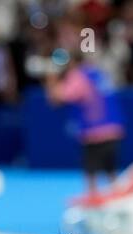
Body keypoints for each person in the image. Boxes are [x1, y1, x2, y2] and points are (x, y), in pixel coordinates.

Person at [45, 50, 126, 196]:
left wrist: (51, 78)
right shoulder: (99, 73)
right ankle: (119, 202)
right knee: (112, 172)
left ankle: (93, 204)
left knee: (91, 176)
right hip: (114, 130)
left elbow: (59, 97)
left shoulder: (78, 75)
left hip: (94, 133)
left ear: (72, 63)